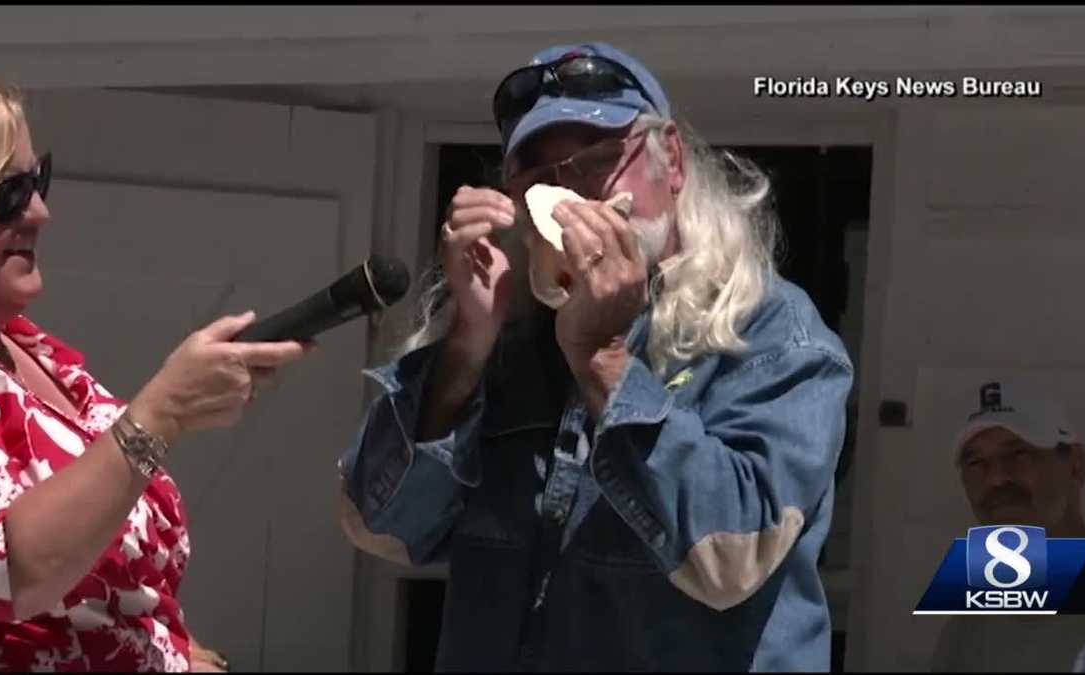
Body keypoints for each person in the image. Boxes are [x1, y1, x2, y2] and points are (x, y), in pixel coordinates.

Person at [337, 43, 853, 670]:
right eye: (538, 176)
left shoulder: (770, 333)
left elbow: (728, 559)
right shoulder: (514, 337)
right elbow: (379, 528)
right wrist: (466, 346)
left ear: (674, 164)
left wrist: (602, 359)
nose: (567, 195)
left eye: (598, 159)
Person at [0, 77, 310, 672]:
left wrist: (180, 652)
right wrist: (163, 411)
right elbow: (9, 571)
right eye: (9, 193)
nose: (40, 210)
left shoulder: (38, 357)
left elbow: (104, 593)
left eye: (39, 181)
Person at [931, 379, 1085, 672]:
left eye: (1019, 454)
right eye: (976, 464)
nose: (996, 478)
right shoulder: (967, 634)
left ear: (1076, 464)